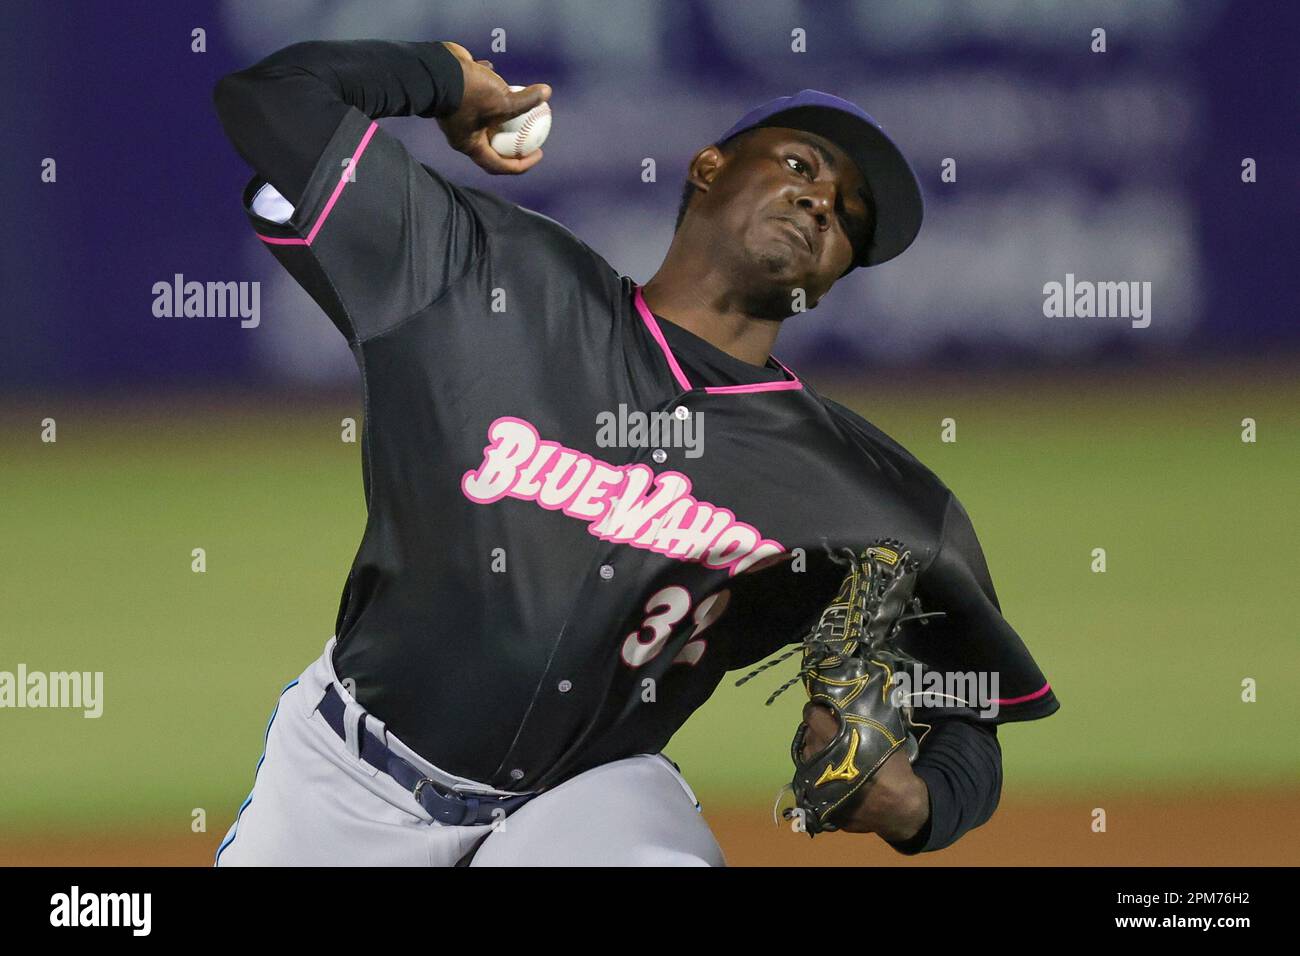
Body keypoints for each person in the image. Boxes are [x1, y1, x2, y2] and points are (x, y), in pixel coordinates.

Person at [211, 38, 1057, 866]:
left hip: (587, 805)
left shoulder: (860, 489)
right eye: (801, 166)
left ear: (835, 274)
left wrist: (923, 808)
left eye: (850, 216)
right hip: (346, 785)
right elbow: (270, 99)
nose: (822, 203)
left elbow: (970, 706)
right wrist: (439, 79)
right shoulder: (484, 275)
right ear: (708, 168)